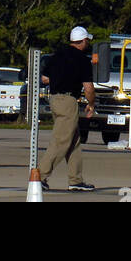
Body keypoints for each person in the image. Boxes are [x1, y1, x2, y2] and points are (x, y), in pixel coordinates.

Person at [39, 25, 97, 192]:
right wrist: (91, 103)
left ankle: (76, 180)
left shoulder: (58, 55)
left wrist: (60, 77)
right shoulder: (83, 60)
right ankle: (40, 176)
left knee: (74, 140)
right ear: (84, 40)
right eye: (87, 40)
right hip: (68, 101)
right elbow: (88, 88)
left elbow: (44, 78)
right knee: (61, 141)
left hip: (55, 99)